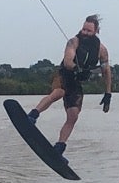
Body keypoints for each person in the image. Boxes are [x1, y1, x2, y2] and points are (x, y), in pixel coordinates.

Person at [28, 14, 113, 157]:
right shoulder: (74, 42)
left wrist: (108, 93)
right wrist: (76, 68)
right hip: (63, 75)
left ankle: (59, 147)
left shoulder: (102, 50)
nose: (84, 33)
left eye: (89, 31)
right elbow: (68, 61)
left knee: (73, 115)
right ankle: (33, 115)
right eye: (84, 29)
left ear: (96, 31)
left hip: (76, 83)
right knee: (59, 92)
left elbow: (106, 71)